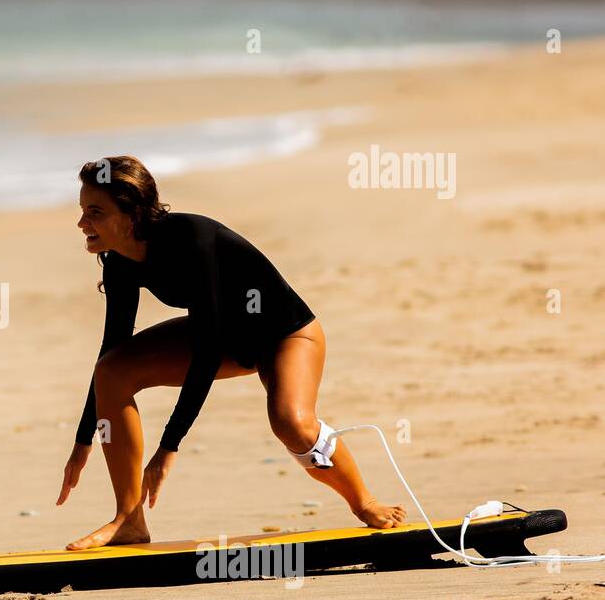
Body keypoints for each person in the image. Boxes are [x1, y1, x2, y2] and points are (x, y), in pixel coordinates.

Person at [58, 156, 405, 550]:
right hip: (223, 336)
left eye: (95, 212)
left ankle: (365, 503)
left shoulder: (191, 239)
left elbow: (206, 350)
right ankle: (129, 520)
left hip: (285, 335)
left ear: (133, 213)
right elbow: (112, 346)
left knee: (291, 423)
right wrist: (84, 439)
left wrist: (169, 445)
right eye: (83, 210)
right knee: (113, 370)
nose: (82, 223)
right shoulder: (118, 261)